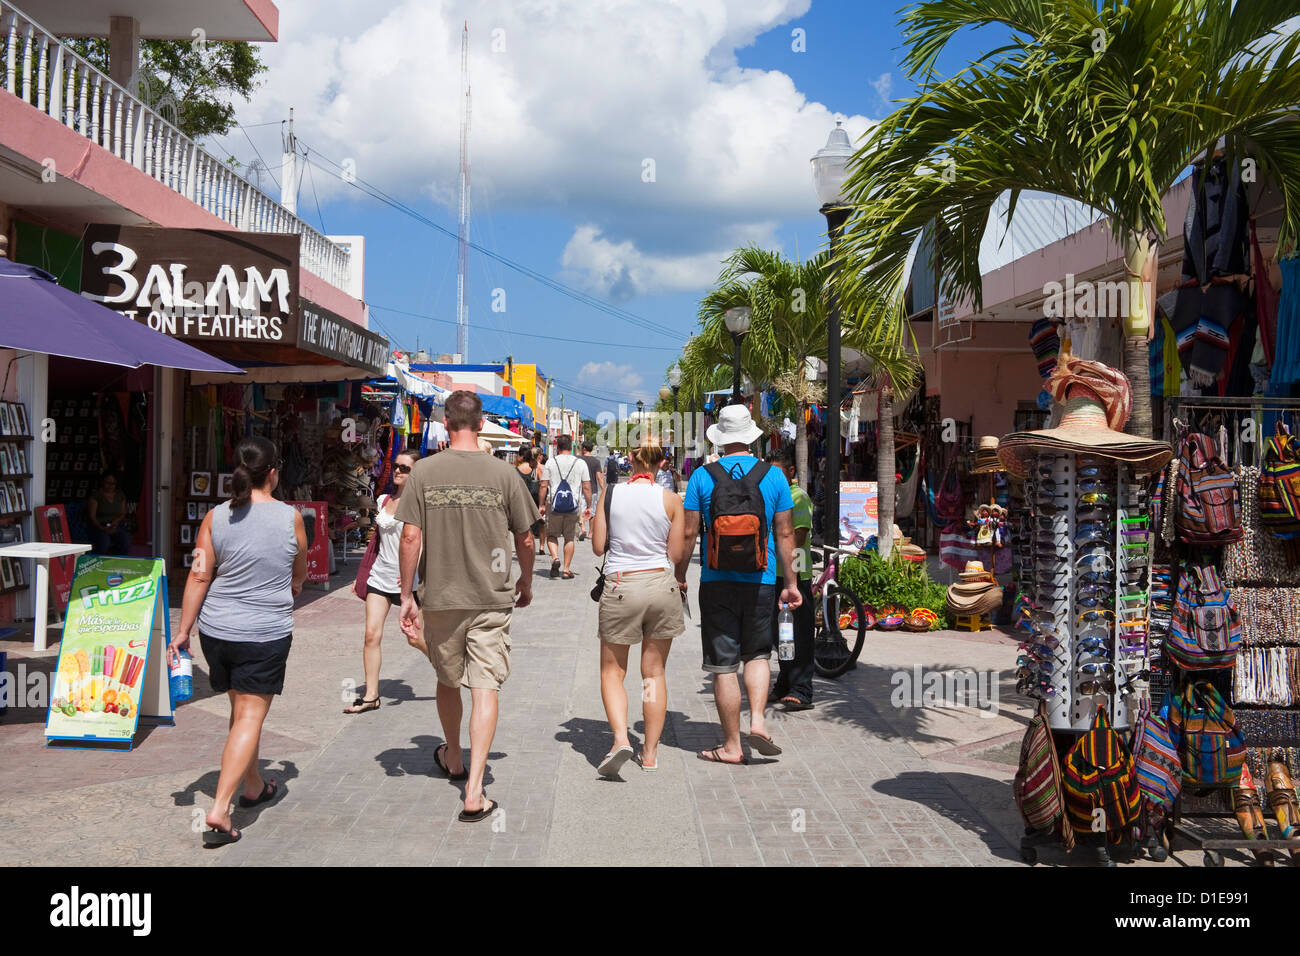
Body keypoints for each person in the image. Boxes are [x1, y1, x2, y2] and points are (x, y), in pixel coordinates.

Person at [398, 390, 539, 822]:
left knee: (447, 678)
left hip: (441, 597)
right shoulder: (505, 474)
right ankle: (475, 791)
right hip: (491, 598)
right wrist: (526, 579)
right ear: (480, 424)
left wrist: (406, 596)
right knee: (485, 687)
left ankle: (454, 757)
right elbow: (526, 538)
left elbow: (409, 537)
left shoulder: (423, 472)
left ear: (445, 421)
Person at [171, 437, 308, 846]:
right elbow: (299, 565)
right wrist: (297, 581)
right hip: (262, 633)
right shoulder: (291, 517)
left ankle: (253, 785)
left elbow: (199, 574)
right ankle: (220, 808)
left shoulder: (215, 517)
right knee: (249, 716)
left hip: (217, 631)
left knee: (240, 710)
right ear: (273, 473)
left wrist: (183, 630)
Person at [679, 405, 801, 765]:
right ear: (751, 436)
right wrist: (791, 582)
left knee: (723, 665)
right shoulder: (775, 477)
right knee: (759, 655)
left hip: (716, 582)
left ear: (720, 437)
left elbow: (688, 533)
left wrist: (679, 574)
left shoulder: (702, 477)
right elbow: (786, 534)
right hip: (762, 581)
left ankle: (732, 745)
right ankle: (759, 721)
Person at [591, 437, 686, 775]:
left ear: (629, 458)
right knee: (653, 673)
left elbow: (598, 547)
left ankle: (619, 740)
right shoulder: (672, 500)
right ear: (662, 462)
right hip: (661, 585)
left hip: (621, 584)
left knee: (613, 672)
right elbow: (675, 556)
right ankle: (649, 753)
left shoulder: (611, 494)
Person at [345, 450, 421, 715]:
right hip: (380, 575)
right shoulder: (383, 499)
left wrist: (413, 571)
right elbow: (375, 543)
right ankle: (371, 696)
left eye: (405, 468)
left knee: (415, 638)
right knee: (371, 635)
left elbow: (425, 541)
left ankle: (452, 670)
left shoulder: (422, 505)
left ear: (416, 473)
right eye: (396, 466)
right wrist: (362, 575)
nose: (398, 471)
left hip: (408, 581)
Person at [765, 448, 815, 710]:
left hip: (797, 575)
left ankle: (802, 689)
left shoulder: (799, 497)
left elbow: (799, 537)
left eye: (778, 471)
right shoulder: (772, 496)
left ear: (791, 472)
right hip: (772, 575)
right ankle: (784, 682)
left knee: (800, 634)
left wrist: (791, 575)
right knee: (780, 634)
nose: (773, 476)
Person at [538, 434, 591, 579]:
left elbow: (543, 485)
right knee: (569, 538)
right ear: (571, 446)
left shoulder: (550, 462)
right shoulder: (580, 463)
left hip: (553, 505)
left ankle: (555, 558)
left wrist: (541, 504)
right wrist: (589, 505)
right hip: (573, 505)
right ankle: (566, 570)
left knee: (552, 534)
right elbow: (586, 486)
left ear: (557, 447)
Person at [86, 471, 132, 555]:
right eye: (108, 483)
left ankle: (121, 561)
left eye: (113, 483)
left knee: (126, 540)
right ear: (102, 482)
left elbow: (123, 512)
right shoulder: (96, 495)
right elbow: (92, 516)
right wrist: (102, 528)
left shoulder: (120, 495)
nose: (110, 486)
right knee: (104, 543)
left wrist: (116, 522)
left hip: (116, 525)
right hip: (99, 526)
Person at [578, 440, 606, 542]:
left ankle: (583, 529)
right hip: (593, 489)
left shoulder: (578, 460)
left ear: (584, 449)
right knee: (592, 511)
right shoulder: (596, 461)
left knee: (581, 510)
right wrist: (604, 490)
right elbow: (599, 478)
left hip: (581, 489)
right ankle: (591, 533)